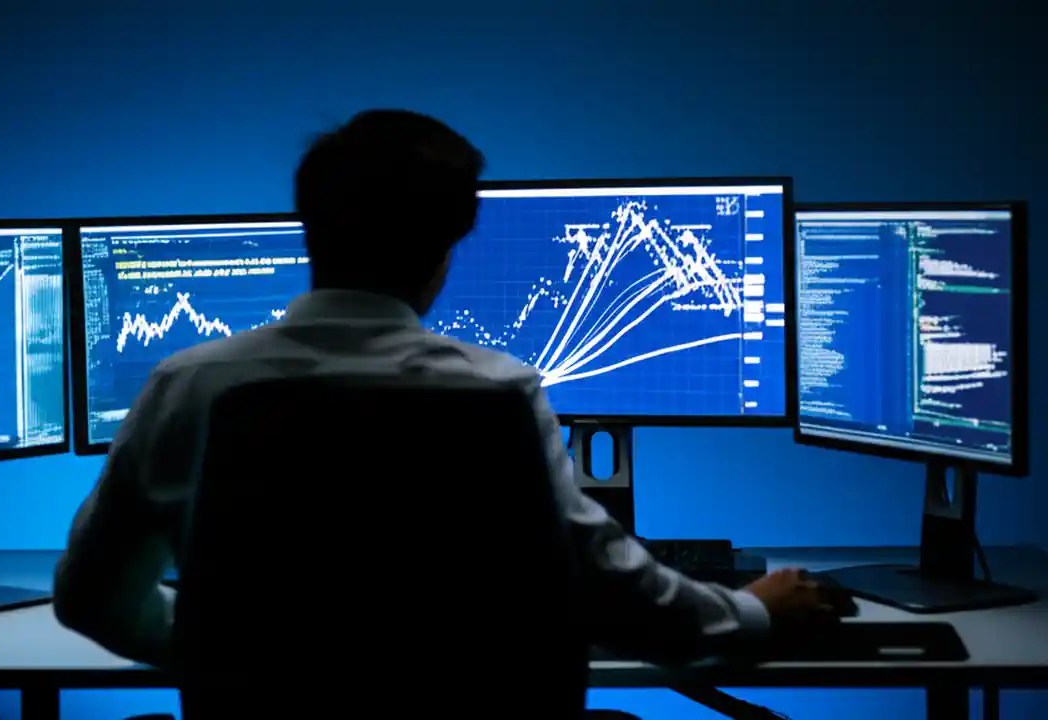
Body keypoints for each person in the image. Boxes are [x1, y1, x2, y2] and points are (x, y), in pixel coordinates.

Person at [53, 108, 828, 668]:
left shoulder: (186, 385)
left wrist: (222, 646)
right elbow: (615, 595)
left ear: (308, 229)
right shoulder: (496, 395)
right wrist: (756, 612)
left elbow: (91, 598)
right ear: (445, 252)